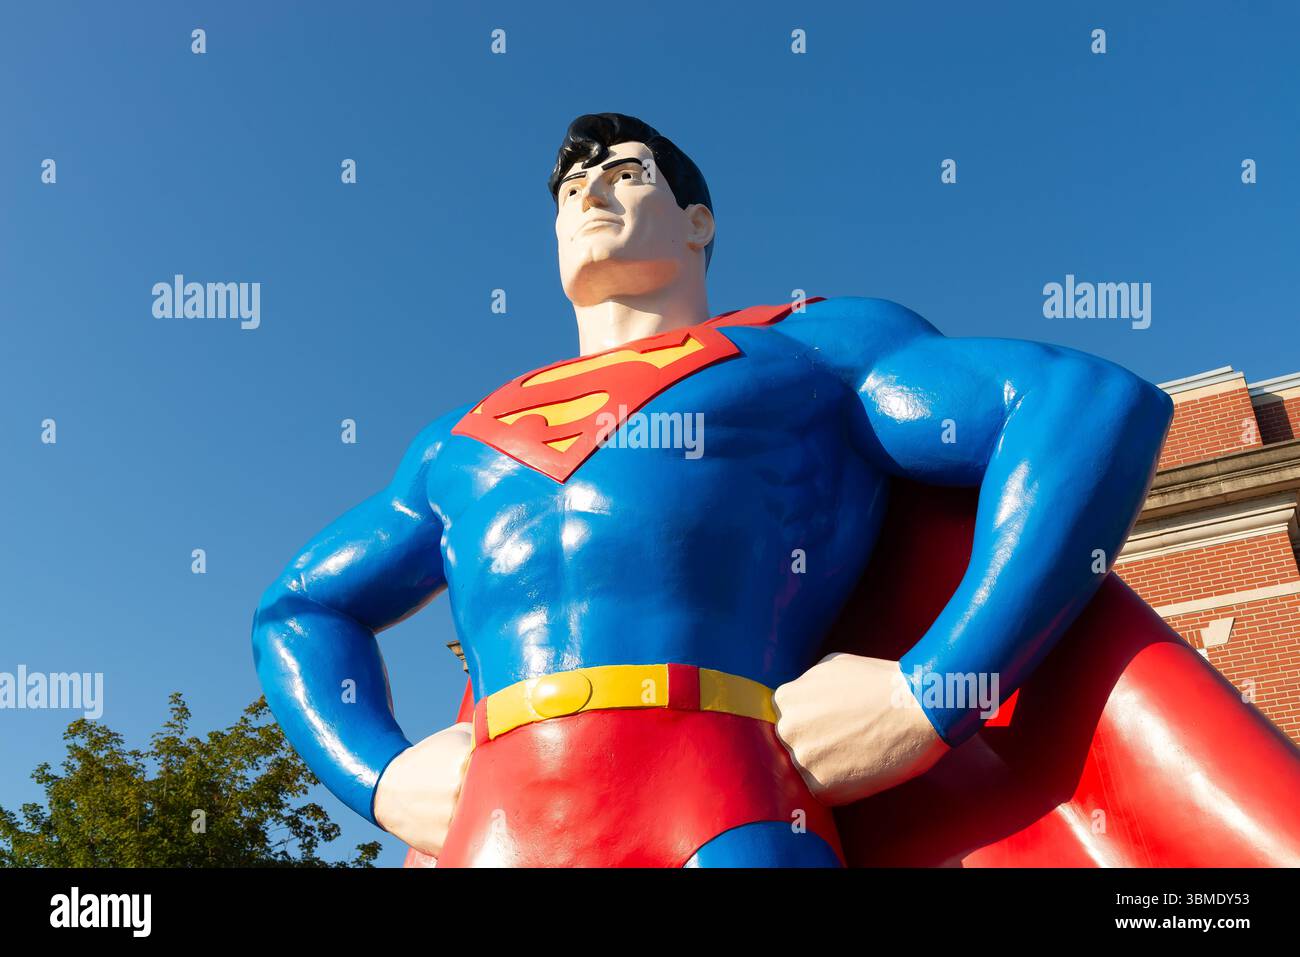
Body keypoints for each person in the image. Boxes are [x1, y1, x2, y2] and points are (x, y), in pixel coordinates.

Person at [252, 113, 1171, 866]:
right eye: (570, 190)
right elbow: (299, 607)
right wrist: (378, 773)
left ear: (700, 222)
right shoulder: (457, 441)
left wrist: (932, 692)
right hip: (500, 822)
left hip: (729, 795)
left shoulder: (807, 350)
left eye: (625, 173)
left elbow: (1078, 404)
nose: (590, 195)